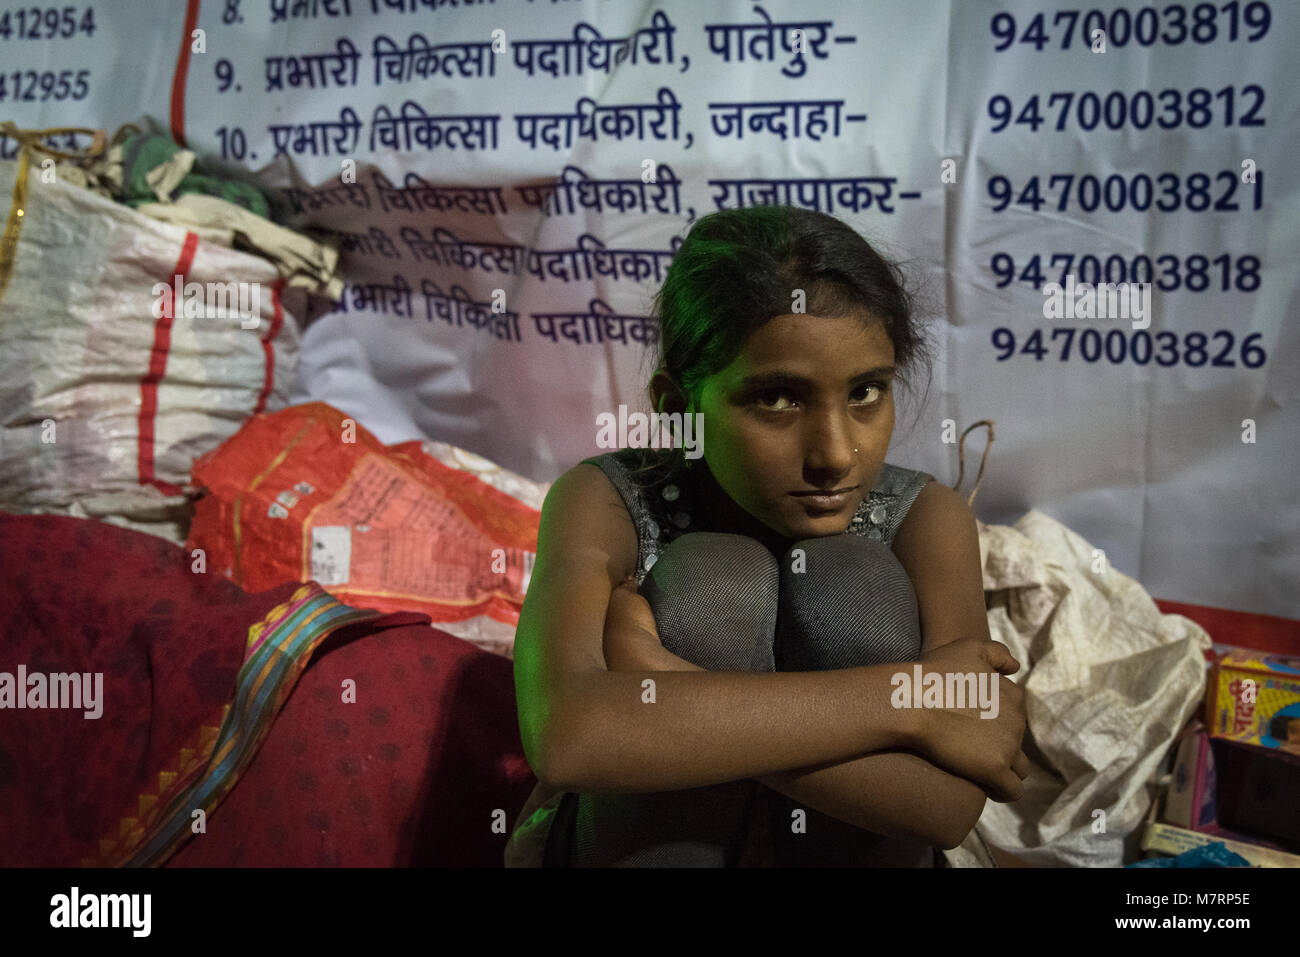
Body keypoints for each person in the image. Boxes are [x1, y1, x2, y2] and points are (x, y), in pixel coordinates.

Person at [507, 205, 1029, 867]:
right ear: (679, 408)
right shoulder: (607, 497)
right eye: (779, 399)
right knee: (711, 583)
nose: (836, 454)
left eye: (867, 392)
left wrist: (669, 684)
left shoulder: (926, 517)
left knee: (853, 590)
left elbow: (944, 807)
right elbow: (568, 735)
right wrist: (910, 700)